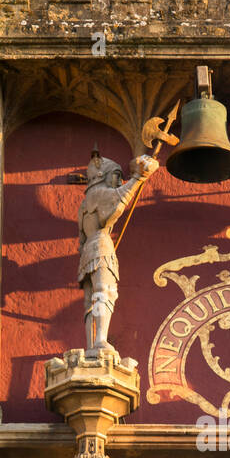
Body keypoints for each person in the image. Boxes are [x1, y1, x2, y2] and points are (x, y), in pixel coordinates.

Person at [77, 148, 158, 350]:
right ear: (101, 175)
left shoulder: (86, 202)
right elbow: (120, 197)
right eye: (116, 176)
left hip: (89, 248)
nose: (118, 181)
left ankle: (92, 344)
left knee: (91, 298)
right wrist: (139, 177)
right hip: (101, 245)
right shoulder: (98, 194)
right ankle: (99, 341)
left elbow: (82, 238)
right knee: (105, 292)